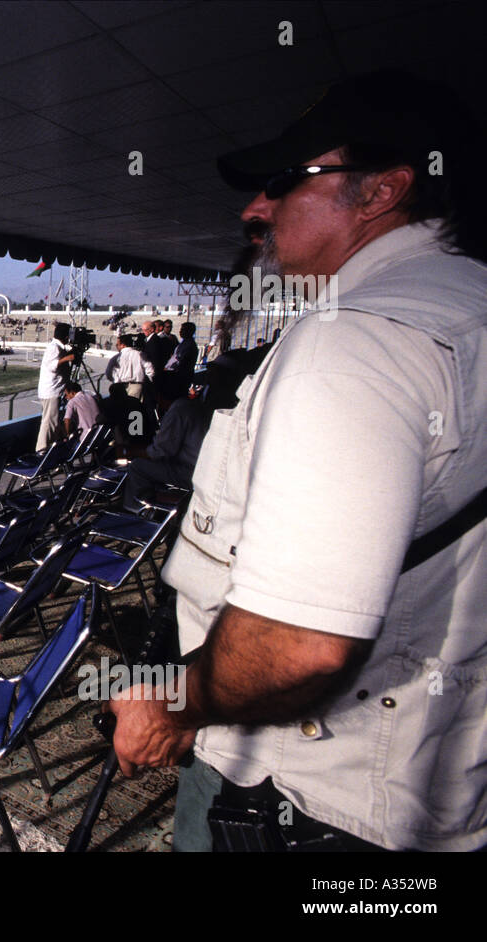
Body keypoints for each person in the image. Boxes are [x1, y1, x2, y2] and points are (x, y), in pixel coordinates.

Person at [106, 69, 487, 852]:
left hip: (301, 797)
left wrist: (172, 707)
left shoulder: (355, 340)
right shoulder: (465, 306)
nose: (255, 207)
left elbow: (300, 643)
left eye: (284, 182)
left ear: (383, 191)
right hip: (426, 785)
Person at [36, 324, 74, 450]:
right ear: (66, 336)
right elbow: (51, 366)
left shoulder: (58, 347)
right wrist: (66, 359)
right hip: (51, 391)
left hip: (54, 391)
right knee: (49, 423)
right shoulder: (54, 348)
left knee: (53, 422)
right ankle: (41, 450)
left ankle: (51, 448)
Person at [104, 332, 153, 400]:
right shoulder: (140, 355)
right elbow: (150, 371)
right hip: (136, 386)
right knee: (134, 408)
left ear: (123, 345)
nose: (116, 346)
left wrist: (115, 380)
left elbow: (108, 374)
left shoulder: (115, 358)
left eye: (117, 345)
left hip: (119, 386)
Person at [161, 321, 200, 400]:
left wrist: (168, 368)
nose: (180, 331)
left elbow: (179, 361)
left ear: (189, 331)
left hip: (180, 377)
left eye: (183, 329)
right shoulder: (184, 343)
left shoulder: (189, 345)